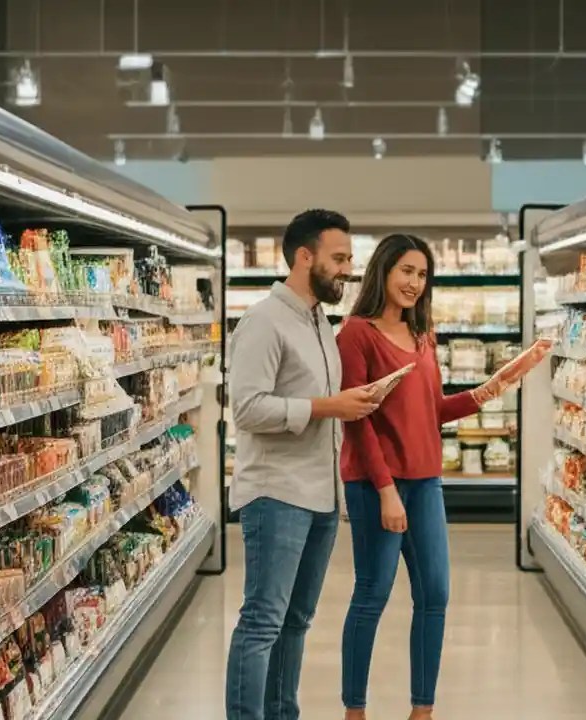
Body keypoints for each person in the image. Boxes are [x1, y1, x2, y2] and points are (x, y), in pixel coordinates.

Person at [336, 234, 551, 720]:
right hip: (376, 485)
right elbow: (358, 418)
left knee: (435, 594)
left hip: (427, 481)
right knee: (372, 594)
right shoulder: (356, 333)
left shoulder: (423, 336)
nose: (415, 283)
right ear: (384, 272)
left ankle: (422, 710)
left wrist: (494, 386)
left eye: (422, 274)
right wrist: (387, 491)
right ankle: (354, 710)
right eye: (406, 271)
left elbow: (431, 410)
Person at [225, 209, 381, 720]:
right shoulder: (263, 321)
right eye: (338, 259)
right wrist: (326, 406)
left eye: (349, 259)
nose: (347, 269)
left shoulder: (318, 321)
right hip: (275, 494)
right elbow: (246, 408)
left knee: (296, 622)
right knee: (262, 622)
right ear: (304, 257)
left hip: (319, 496)